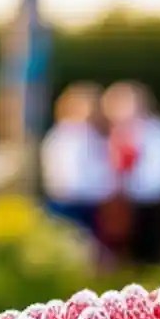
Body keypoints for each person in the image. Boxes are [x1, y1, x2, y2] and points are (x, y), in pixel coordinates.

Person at [102, 81, 160, 268]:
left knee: (153, 253)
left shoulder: (158, 131)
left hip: (152, 200)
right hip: (119, 203)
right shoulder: (112, 133)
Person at [39, 82, 113, 237]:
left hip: (86, 199)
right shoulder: (68, 135)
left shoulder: (90, 135)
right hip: (71, 199)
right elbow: (71, 174)